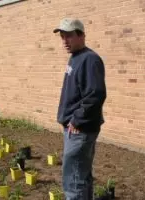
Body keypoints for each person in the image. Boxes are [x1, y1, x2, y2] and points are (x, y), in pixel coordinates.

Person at [53, 18, 107, 200]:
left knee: (74, 180)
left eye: (68, 36)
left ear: (81, 35)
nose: (64, 41)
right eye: (62, 37)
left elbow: (96, 94)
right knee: (81, 176)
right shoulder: (76, 58)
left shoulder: (90, 59)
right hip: (75, 128)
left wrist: (76, 120)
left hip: (80, 129)